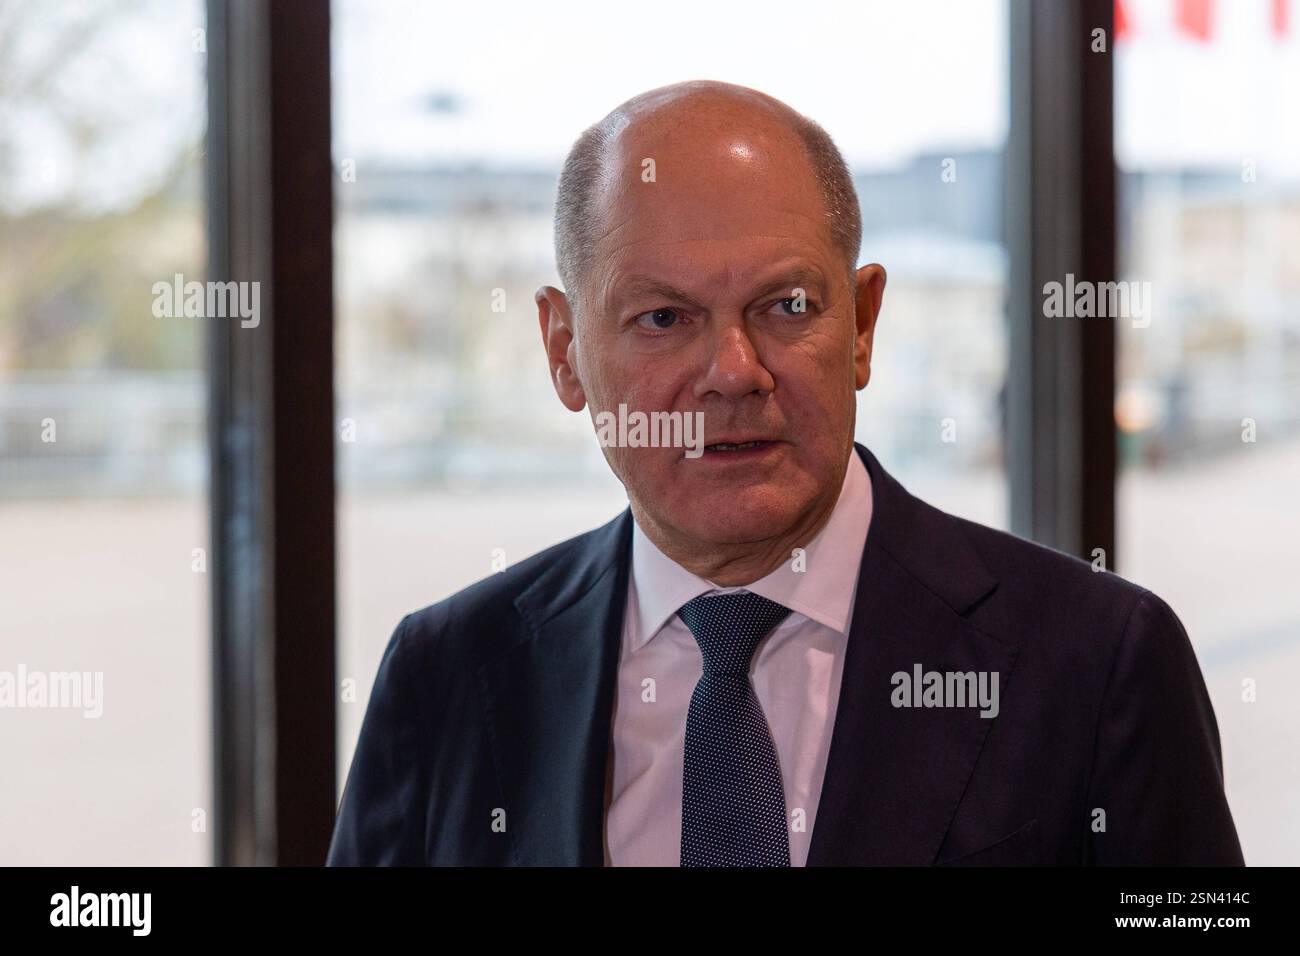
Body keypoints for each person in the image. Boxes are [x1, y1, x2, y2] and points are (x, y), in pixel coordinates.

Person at [326, 80, 1243, 866]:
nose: (735, 370)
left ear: (863, 324)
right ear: (565, 353)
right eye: (662, 318)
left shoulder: (1097, 662)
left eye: (787, 304)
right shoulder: (445, 675)